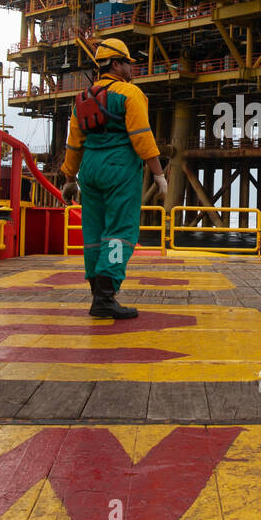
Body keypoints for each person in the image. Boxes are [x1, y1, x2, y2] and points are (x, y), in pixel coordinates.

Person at [61, 38, 167, 319]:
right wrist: (159, 175)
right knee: (120, 232)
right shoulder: (130, 94)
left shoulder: (82, 98)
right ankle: (107, 296)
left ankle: (98, 295)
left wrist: (70, 178)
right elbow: (142, 137)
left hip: (90, 171)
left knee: (94, 234)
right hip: (119, 169)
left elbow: (74, 143)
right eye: (128, 63)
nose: (131, 68)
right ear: (117, 64)